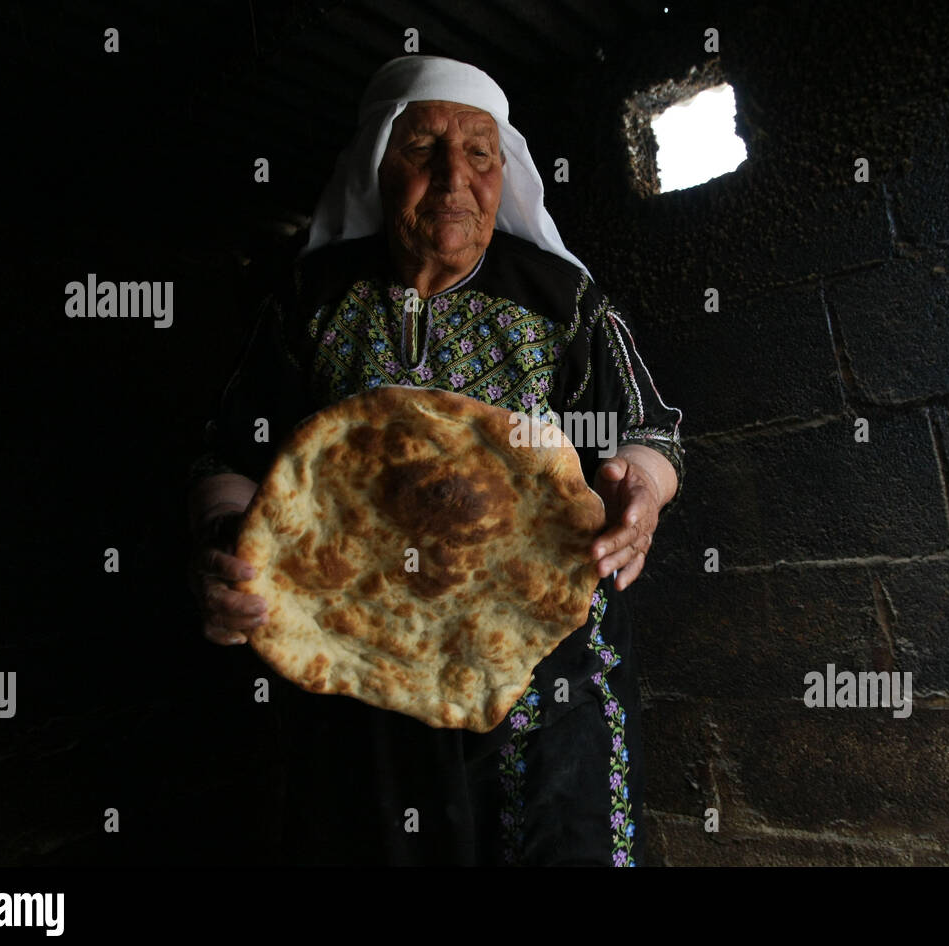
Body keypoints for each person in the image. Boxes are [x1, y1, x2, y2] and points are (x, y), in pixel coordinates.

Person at [185, 55, 684, 866]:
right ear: (377, 164)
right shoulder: (309, 302)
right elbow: (229, 452)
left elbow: (650, 431)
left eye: (480, 154)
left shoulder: (562, 299)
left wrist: (644, 491)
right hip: (361, 655)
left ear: (505, 171)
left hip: (546, 663)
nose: (455, 177)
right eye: (423, 150)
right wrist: (225, 544)